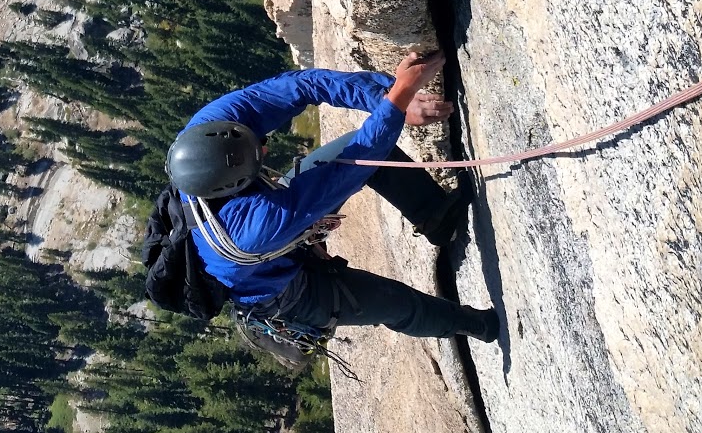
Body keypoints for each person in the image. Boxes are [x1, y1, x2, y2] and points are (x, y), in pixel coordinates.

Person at [165, 51, 500, 343]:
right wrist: (398, 97)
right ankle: (480, 325)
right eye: (259, 156)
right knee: (394, 303)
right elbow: (344, 177)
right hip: (279, 290)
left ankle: (435, 217)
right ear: (235, 183)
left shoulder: (207, 131)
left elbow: (302, 85)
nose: (265, 148)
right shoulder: (253, 226)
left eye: (256, 142)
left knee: (357, 154)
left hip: (264, 227)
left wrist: (386, 96)